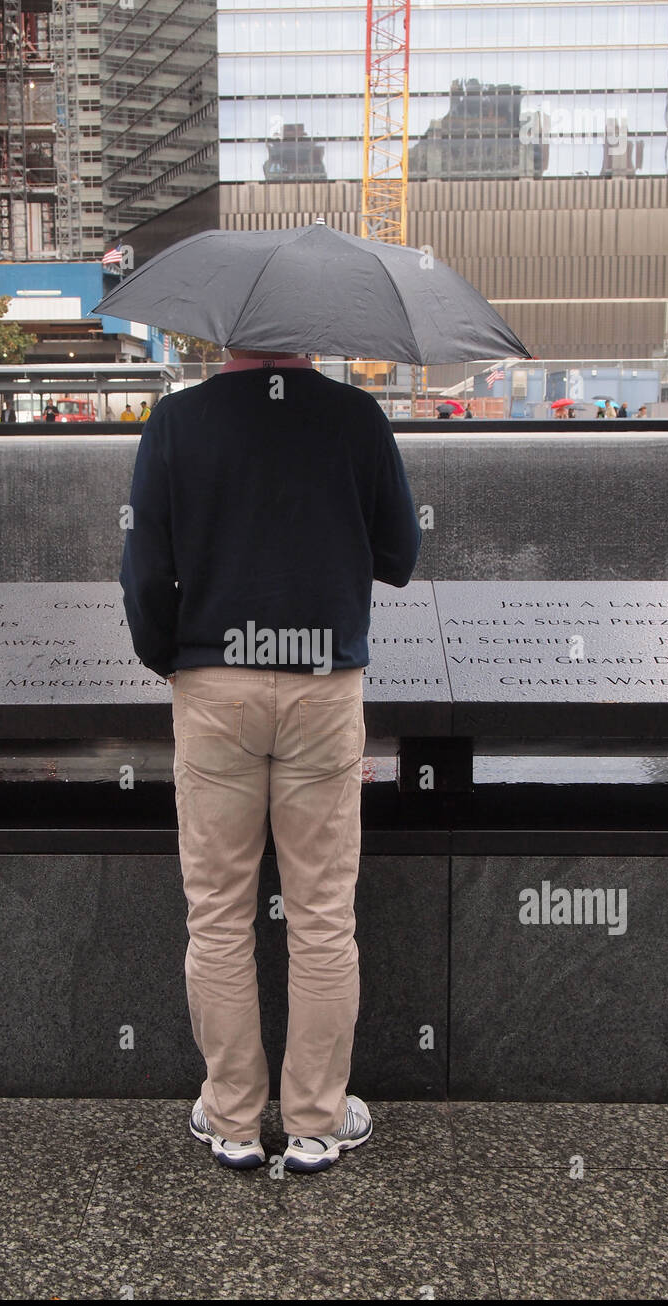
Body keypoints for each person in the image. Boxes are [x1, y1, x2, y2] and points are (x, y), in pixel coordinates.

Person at [120, 346, 420, 1173]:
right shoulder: (355, 416)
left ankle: (233, 1122)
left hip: (214, 683)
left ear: (225, 334)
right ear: (313, 331)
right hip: (323, 686)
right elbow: (399, 557)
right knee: (322, 912)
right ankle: (318, 1124)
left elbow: (145, 570)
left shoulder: (178, 419)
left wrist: (173, 659)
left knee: (217, 912)